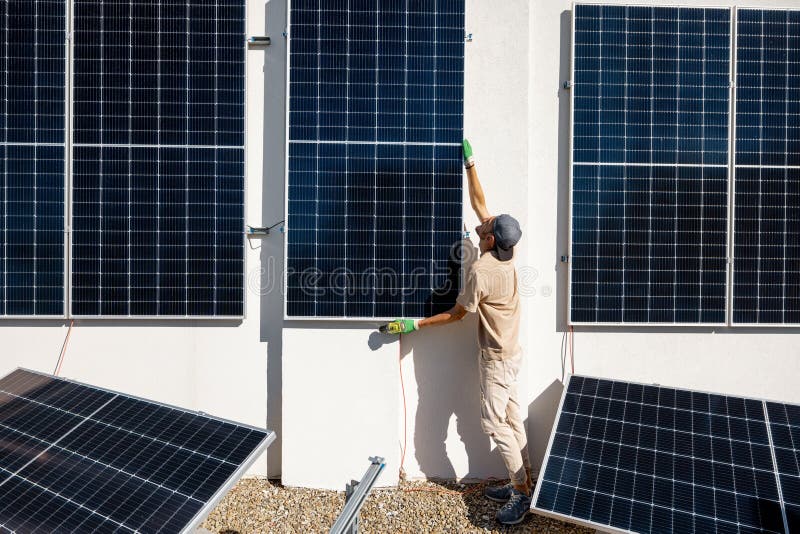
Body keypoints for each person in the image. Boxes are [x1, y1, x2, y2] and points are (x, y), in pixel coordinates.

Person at [382, 139, 531, 525]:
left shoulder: (483, 272)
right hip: (513, 353)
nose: (483, 221)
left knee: (495, 424)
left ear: (491, 240)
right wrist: (471, 164)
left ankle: (520, 493)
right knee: (514, 419)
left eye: (486, 228)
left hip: (497, 359)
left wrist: (416, 324)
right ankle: (526, 481)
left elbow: (457, 314)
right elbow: (481, 206)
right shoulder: (508, 254)